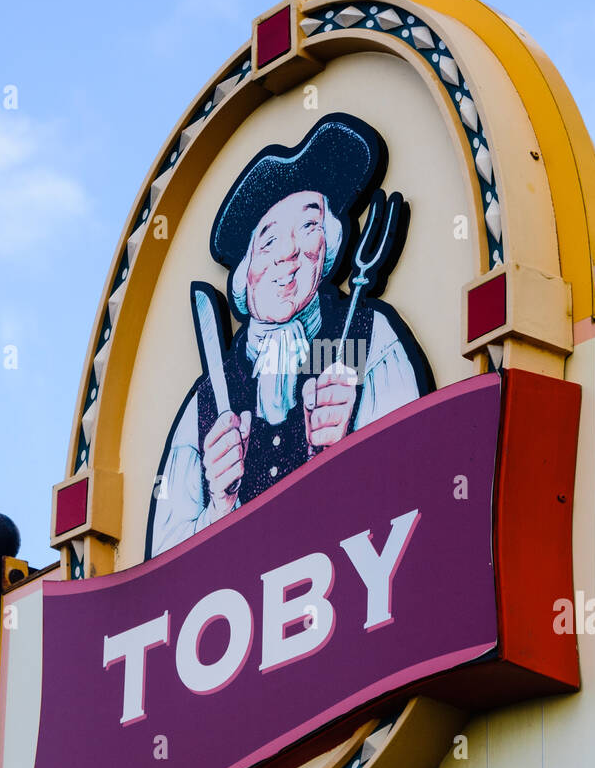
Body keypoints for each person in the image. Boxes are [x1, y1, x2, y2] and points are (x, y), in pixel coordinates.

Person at [146, 114, 430, 558]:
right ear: (244, 274)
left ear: (330, 245)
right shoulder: (207, 405)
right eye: (269, 240)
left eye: (309, 226)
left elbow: (425, 489)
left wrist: (354, 452)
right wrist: (219, 506)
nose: (291, 253)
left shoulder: (365, 338)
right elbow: (160, 575)